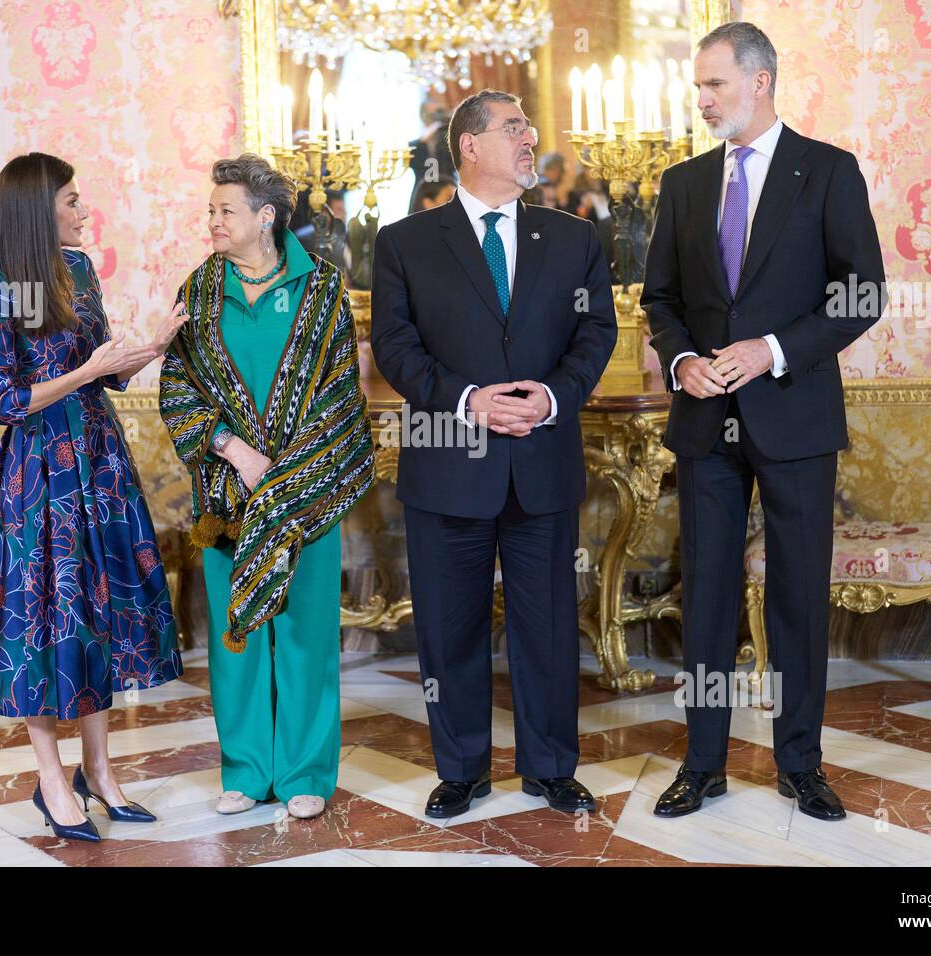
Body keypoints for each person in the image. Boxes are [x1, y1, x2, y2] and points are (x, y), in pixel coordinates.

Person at [641, 21, 886, 821]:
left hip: (796, 416)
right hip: (705, 421)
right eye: (699, 86)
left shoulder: (829, 171)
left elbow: (861, 294)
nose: (702, 99)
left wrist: (773, 349)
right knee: (705, 594)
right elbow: (662, 301)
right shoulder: (681, 184)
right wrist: (683, 362)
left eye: (714, 84)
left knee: (797, 597)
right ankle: (701, 765)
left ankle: (800, 764)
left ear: (760, 81)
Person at [370, 90, 618, 819]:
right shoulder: (406, 242)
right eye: (513, 128)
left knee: (546, 627)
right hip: (448, 464)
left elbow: (595, 335)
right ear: (469, 146)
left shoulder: (572, 238)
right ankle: (463, 769)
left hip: (542, 459)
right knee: (451, 630)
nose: (529, 139)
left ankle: (550, 767)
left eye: (529, 128)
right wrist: (468, 400)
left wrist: (551, 399)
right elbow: (394, 346)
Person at [0, 152, 188, 841]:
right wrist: (88, 369)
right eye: (71, 200)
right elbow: (4, 401)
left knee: (99, 612)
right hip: (38, 478)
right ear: (38, 210)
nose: (83, 209)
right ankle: (51, 779)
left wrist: (148, 348)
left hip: (99, 466)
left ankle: (101, 769)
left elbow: (105, 374)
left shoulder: (81, 272)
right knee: (42, 624)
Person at [160, 153, 375, 821]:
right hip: (227, 496)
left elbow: (342, 396)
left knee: (308, 633)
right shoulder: (198, 290)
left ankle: (307, 772)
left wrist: (282, 475)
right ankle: (246, 770)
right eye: (211, 210)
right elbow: (178, 389)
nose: (213, 221)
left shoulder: (322, 289)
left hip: (305, 494)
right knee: (238, 636)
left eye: (225, 210)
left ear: (266, 217)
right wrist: (233, 450)